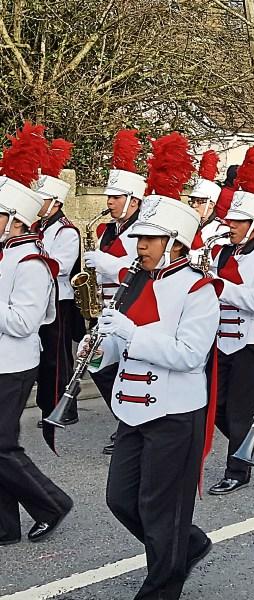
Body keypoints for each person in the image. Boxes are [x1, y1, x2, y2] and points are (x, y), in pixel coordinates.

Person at [86, 132, 219, 599]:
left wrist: (130, 333)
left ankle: (163, 584)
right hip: (131, 409)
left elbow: (188, 356)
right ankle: (189, 545)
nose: (139, 246)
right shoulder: (135, 281)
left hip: (174, 412)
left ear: (176, 243)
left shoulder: (199, 290)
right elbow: (121, 349)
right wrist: (100, 348)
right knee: (121, 499)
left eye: (149, 239)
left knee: (161, 509)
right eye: (139, 237)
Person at [0, 122, 73, 546]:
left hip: (14, 363)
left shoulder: (31, 262)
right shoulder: (8, 255)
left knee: (2, 446)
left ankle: (52, 503)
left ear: (14, 220)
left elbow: (25, 322)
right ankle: (5, 526)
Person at [207, 147, 254, 495]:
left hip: (251, 343)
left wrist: (219, 285)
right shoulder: (219, 253)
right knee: (215, 406)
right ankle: (251, 441)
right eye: (229, 221)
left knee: (238, 411)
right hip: (219, 339)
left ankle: (238, 470)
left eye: (237, 223)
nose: (230, 227)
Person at [84, 129, 146, 455]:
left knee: (125, 369)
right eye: (109, 197)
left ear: (133, 201)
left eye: (115, 198)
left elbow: (136, 271)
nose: (108, 203)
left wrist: (106, 262)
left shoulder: (141, 231)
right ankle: (125, 421)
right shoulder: (107, 228)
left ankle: (129, 426)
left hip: (131, 309)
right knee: (99, 367)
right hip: (107, 305)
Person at [32, 139, 81, 431]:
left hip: (59, 300)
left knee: (58, 358)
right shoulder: (38, 229)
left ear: (56, 203)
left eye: (43, 200)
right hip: (41, 299)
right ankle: (47, 406)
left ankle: (64, 407)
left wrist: (34, 259)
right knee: (43, 357)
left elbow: (61, 266)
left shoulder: (67, 231)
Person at [187, 149, 229, 266]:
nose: (194, 205)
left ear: (211, 205)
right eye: (192, 201)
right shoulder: (186, 224)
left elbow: (213, 260)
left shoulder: (221, 230)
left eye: (199, 201)